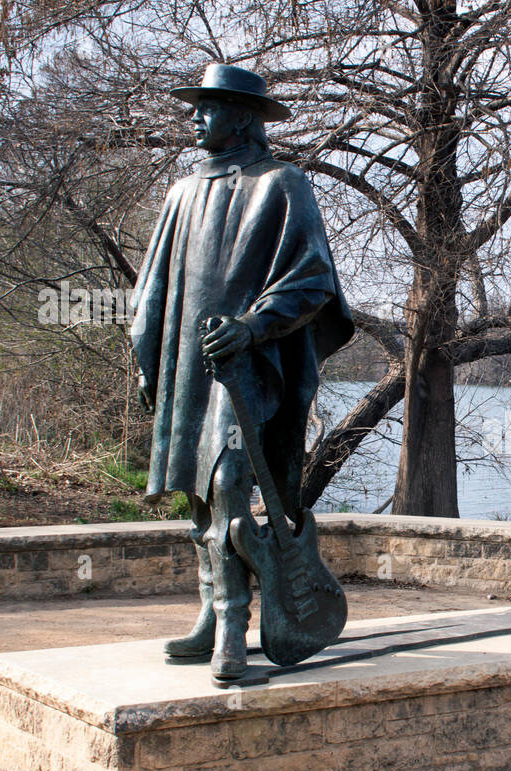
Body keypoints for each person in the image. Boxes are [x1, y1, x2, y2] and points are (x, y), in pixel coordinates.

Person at [129, 64, 354, 681]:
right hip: (187, 365)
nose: (196, 117)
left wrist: (254, 326)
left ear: (245, 115)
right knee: (197, 493)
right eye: (197, 105)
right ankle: (211, 609)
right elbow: (153, 289)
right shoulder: (182, 192)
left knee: (229, 480)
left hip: (251, 367)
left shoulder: (283, 184)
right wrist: (148, 356)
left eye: (210, 105)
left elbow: (313, 281)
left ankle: (234, 623)